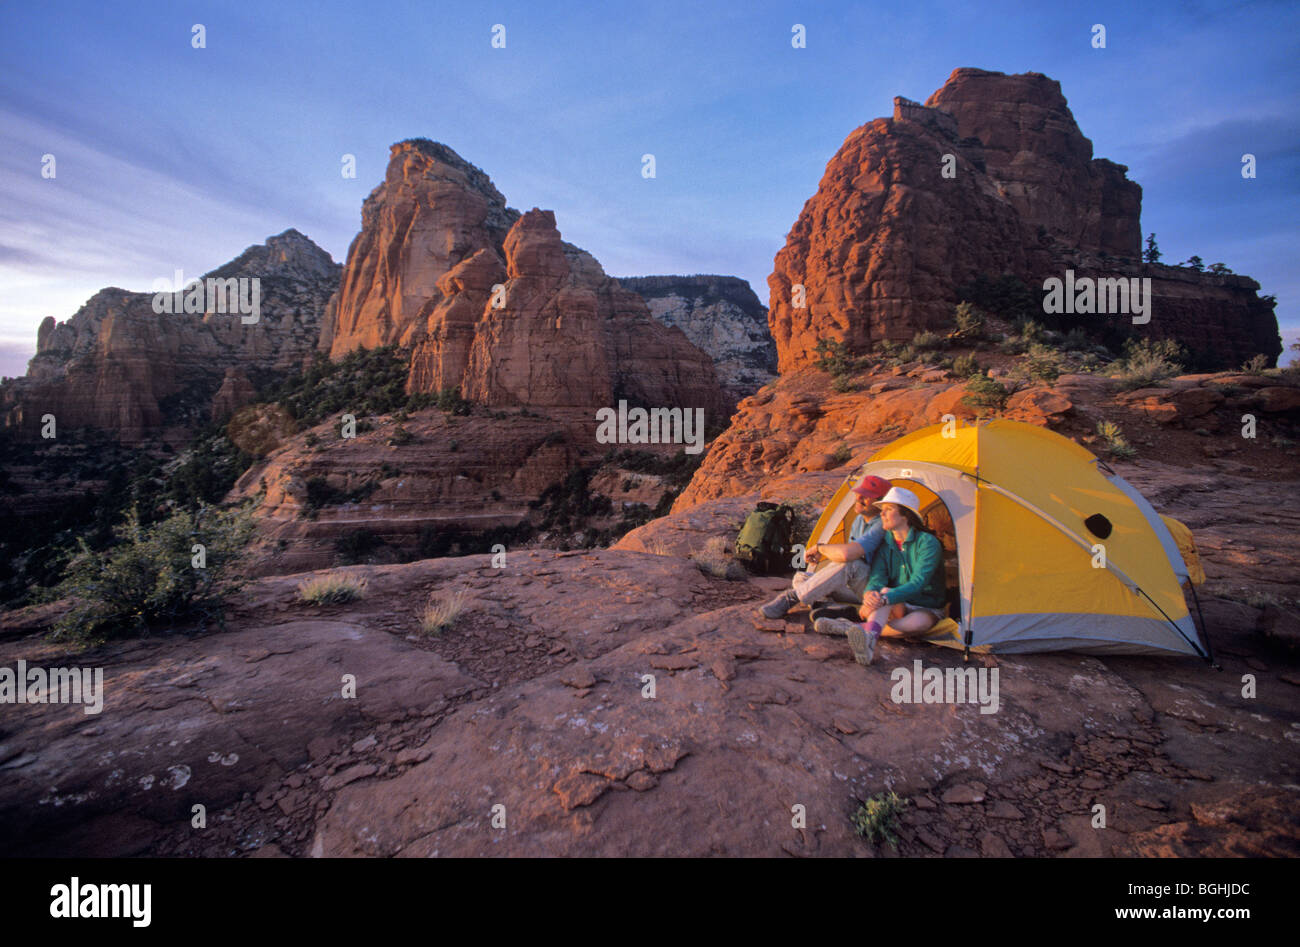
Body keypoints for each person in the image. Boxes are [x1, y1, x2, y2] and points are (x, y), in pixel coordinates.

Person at [814, 486, 947, 665]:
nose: (882, 514)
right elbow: (878, 577)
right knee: (882, 590)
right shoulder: (886, 543)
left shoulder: (928, 543)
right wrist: (870, 595)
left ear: (905, 515)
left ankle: (853, 628)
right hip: (896, 603)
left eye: (888, 509)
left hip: (927, 606)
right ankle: (868, 642)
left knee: (917, 625)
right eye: (882, 509)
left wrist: (884, 600)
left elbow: (918, 583)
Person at [757, 475, 892, 621]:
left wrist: (820, 548)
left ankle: (791, 598)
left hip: (874, 592)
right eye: (859, 493)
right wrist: (826, 554)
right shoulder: (859, 520)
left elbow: (847, 555)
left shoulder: (882, 525)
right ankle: (834, 608)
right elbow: (848, 551)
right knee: (802, 577)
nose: (859, 498)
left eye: (866, 496)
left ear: (880, 503)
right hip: (855, 586)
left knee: (851, 563)